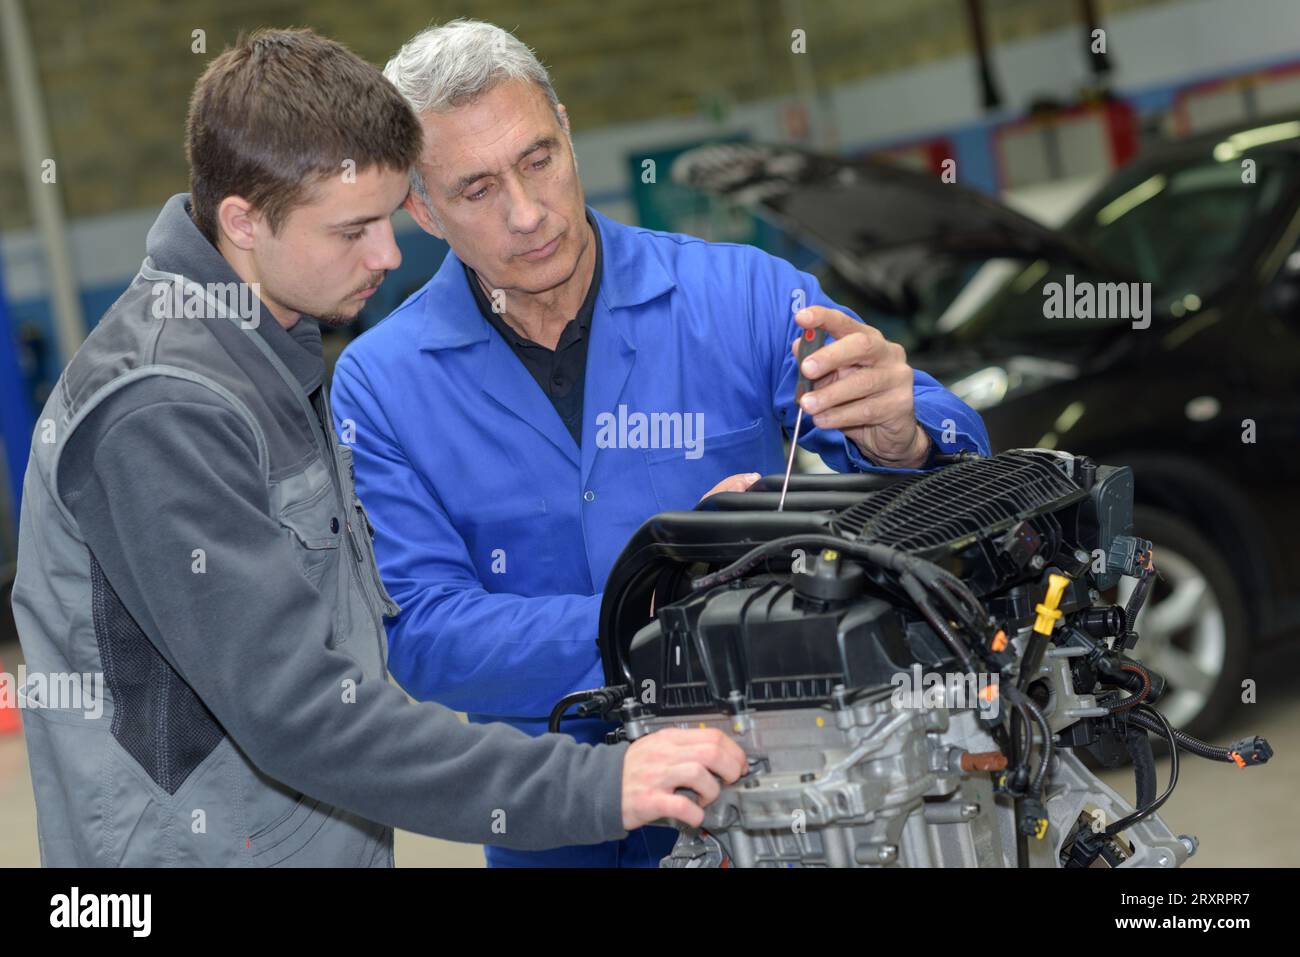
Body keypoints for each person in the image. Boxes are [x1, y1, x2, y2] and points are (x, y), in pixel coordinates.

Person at [9, 27, 745, 868]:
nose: (391, 255)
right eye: (354, 230)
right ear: (245, 223)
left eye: (391, 219)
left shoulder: (270, 347)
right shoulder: (163, 404)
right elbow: (303, 710)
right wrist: (593, 785)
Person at [331, 19, 991, 868]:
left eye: (539, 160)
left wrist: (905, 437)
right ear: (420, 206)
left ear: (568, 131)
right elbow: (419, 632)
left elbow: (953, 443)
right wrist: (660, 615)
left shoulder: (739, 294)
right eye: (477, 190)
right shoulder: (381, 384)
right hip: (554, 816)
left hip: (774, 800)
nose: (528, 213)